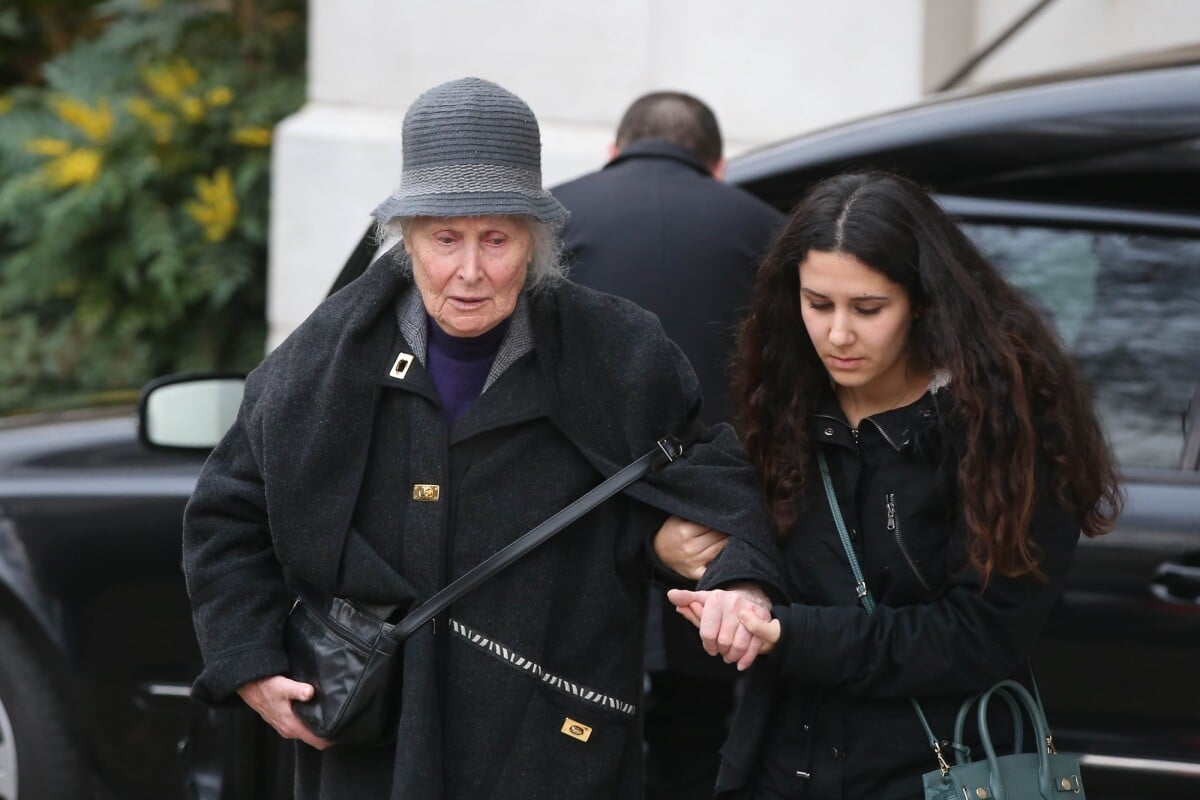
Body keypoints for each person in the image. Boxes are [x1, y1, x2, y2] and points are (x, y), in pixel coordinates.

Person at [181, 76, 783, 800]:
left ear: (536, 240)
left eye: (495, 239)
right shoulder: (323, 359)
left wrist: (737, 582)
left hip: (555, 744)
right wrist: (246, 658)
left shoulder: (620, 352)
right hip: (374, 745)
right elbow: (227, 513)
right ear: (406, 239)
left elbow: (716, 484)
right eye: (445, 239)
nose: (469, 272)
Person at [668, 171, 1124, 799]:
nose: (838, 335)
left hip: (940, 772)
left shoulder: (1008, 420)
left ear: (924, 301)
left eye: (868, 308)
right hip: (783, 765)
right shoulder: (784, 389)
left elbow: (978, 635)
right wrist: (738, 582)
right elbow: (755, 516)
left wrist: (790, 634)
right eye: (817, 304)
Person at [552, 91, 784, 800]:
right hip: (718, 536)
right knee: (695, 753)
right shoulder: (768, 230)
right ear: (716, 166)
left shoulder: (549, 220)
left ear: (614, 152)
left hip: (569, 539)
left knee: (569, 746)